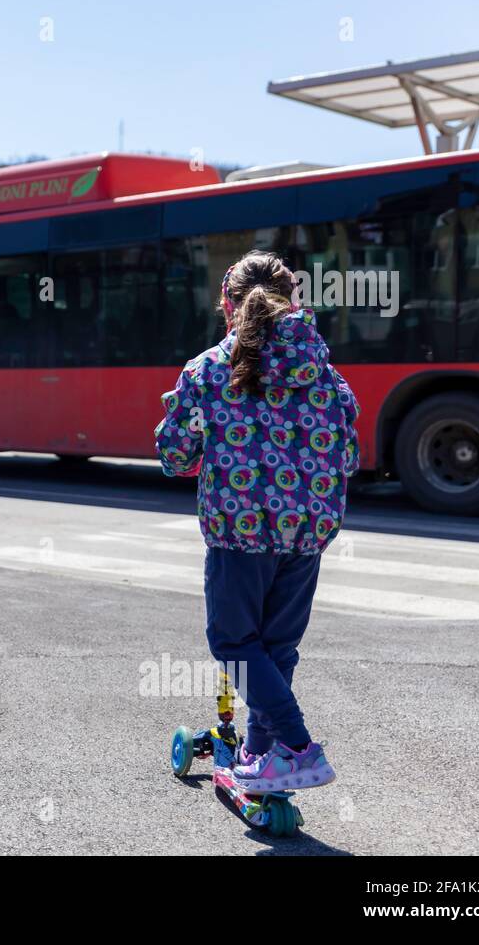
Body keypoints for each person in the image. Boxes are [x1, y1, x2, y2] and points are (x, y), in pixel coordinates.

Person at [154, 250, 360, 793]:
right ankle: (259, 754)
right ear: (294, 300)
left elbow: (177, 457)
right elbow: (349, 457)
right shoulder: (326, 373)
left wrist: (181, 415)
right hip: (309, 531)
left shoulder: (206, 372)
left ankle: (297, 747)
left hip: (241, 530)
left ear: (228, 304)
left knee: (234, 643)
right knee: (276, 650)